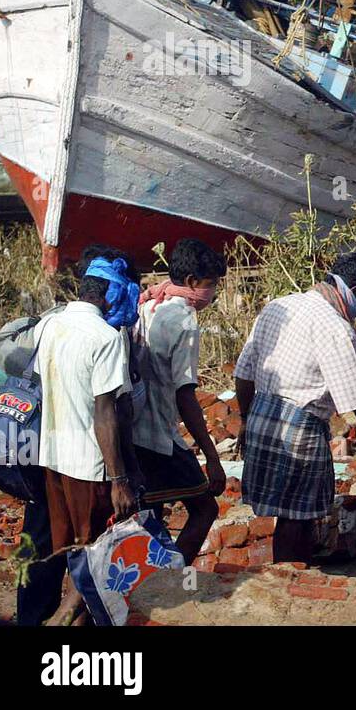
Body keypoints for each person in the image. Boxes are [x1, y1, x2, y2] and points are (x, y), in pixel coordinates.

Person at [234, 252, 356, 564]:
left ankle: (292, 579)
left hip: (261, 413)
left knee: (288, 516)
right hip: (299, 426)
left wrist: (248, 420)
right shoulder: (336, 327)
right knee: (296, 517)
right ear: (354, 292)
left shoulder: (279, 305)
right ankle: (289, 584)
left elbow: (244, 372)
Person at [34, 247, 141, 625]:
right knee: (96, 555)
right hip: (88, 466)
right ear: (111, 294)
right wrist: (120, 479)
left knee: (73, 554)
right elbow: (106, 412)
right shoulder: (106, 338)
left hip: (52, 458)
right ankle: (62, 619)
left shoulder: (50, 325)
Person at [130, 238, 228, 561]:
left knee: (148, 517)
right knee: (204, 509)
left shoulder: (149, 305)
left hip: (132, 431)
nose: (211, 293)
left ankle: (146, 587)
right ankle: (169, 581)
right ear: (191, 283)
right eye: (210, 285)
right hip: (160, 436)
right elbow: (184, 395)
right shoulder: (185, 321)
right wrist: (212, 457)